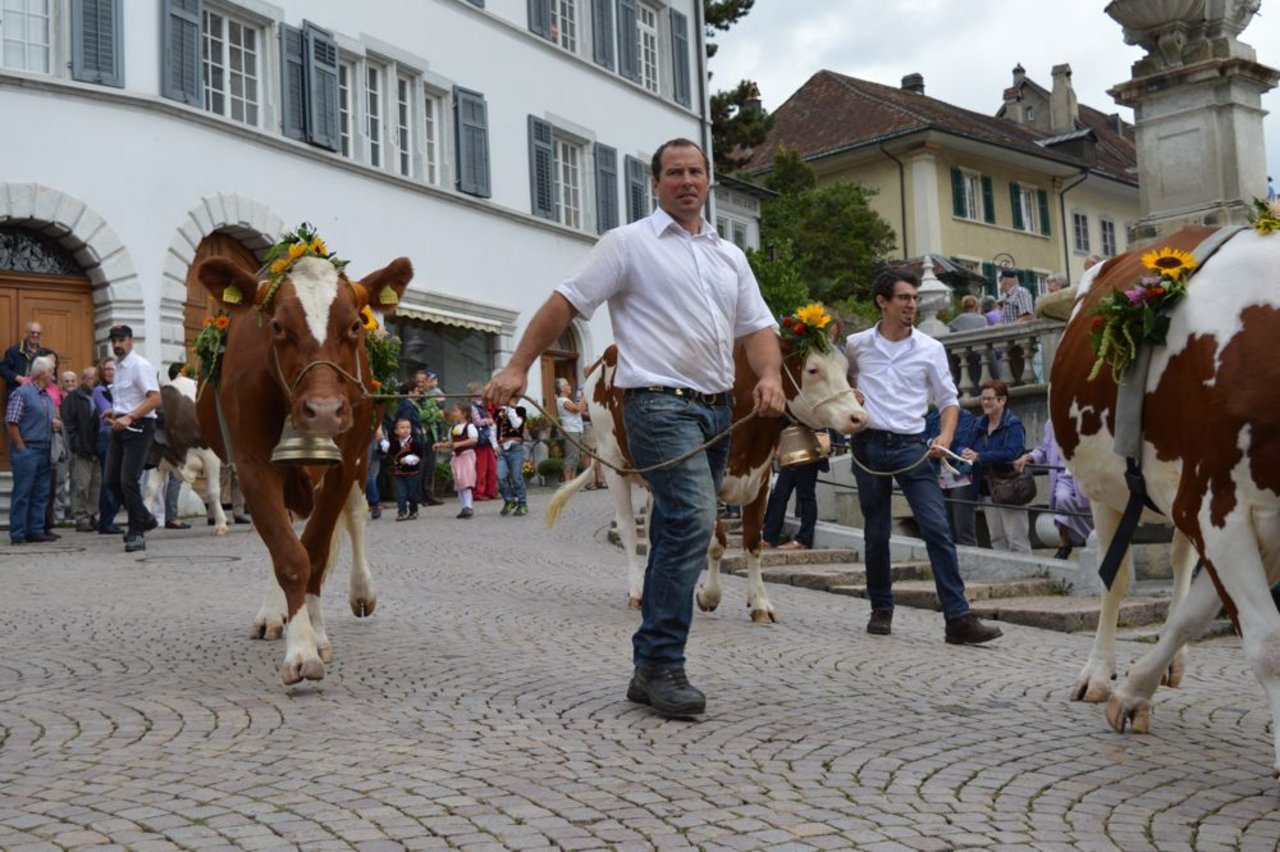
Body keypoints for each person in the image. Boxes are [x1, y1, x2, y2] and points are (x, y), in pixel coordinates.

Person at [485, 137, 786, 719]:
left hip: (718, 408)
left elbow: (758, 327)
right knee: (695, 518)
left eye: (696, 171)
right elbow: (564, 303)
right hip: (656, 405)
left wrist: (770, 374)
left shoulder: (730, 256)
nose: (687, 181)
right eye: (674, 172)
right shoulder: (627, 244)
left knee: (680, 530)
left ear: (708, 181)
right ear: (655, 183)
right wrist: (519, 364)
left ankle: (650, 664)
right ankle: (663, 665)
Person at [845, 269, 1002, 645]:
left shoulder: (930, 349)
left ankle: (958, 618)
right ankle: (881, 608)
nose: (911, 305)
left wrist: (944, 437)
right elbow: (845, 383)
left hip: (913, 448)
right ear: (882, 302)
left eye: (914, 298)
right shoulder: (857, 345)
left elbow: (949, 401)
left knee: (937, 528)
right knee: (877, 531)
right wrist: (853, 396)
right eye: (903, 298)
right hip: (867, 445)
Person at [103, 324, 161, 553]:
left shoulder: (140, 365)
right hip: (120, 426)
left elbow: (155, 399)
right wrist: (115, 412)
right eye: (114, 341)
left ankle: (137, 532)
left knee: (128, 479)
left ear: (131, 341)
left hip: (139, 426)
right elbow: (127, 398)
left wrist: (129, 416)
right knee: (111, 481)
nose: (117, 344)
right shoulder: (118, 367)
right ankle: (145, 518)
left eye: (121, 340)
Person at [958, 379, 1030, 554]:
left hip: (1010, 486)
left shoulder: (1013, 424)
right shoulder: (979, 424)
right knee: (996, 538)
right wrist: (964, 452)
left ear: (1002, 400)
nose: (985, 403)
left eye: (989, 399)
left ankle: (1027, 574)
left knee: (1016, 538)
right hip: (987, 488)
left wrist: (980, 456)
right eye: (983, 399)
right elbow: (965, 443)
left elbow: (1012, 453)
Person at [1014, 419, 1094, 559]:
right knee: (1061, 500)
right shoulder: (1051, 423)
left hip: (1085, 475)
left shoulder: (1086, 417)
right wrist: (1028, 457)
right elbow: (1044, 449)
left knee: (1090, 507)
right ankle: (1064, 544)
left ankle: (1093, 538)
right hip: (1062, 476)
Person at [6, 354, 59, 543]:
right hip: (28, 450)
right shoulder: (22, 393)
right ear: (42, 374)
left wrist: (53, 424)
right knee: (23, 493)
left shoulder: (47, 396)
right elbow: (12, 423)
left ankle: (35, 530)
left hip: (45, 449)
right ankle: (18, 533)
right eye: (51, 371)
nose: (54, 375)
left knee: (40, 493)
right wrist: (21, 447)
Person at [762, 428, 829, 550]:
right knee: (779, 496)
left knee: (805, 496)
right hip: (790, 452)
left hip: (808, 453)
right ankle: (769, 537)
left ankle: (803, 539)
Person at [925, 405, 978, 547]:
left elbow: (961, 442)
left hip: (960, 477)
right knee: (944, 529)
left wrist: (938, 445)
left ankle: (969, 565)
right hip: (938, 476)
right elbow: (923, 438)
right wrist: (932, 443)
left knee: (964, 529)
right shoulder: (932, 417)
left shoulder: (965, 416)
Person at [63, 365, 101, 532]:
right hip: (82, 449)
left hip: (98, 448)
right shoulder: (74, 397)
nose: (94, 381)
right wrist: (76, 443)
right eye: (92, 378)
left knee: (96, 485)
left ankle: (92, 515)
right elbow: (68, 422)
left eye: (96, 378)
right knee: (82, 485)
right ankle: (81, 517)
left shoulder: (99, 395)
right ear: (84, 379)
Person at [92, 357, 121, 534]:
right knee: (108, 481)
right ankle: (106, 521)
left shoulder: (117, 390)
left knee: (116, 480)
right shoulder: (99, 390)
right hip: (106, 437)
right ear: (102, 371)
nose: (111, 372)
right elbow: (107, 413)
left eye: (114, 369)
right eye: (108, 369)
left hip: (118, 435)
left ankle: (109, 519)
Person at [436, 401, 478, 519]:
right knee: (459, 482)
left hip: (467, 455)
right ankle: (464, 506)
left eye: (456, 411)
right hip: (457, 457)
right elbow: (451, 443)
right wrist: (441, 445)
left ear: (464, 413)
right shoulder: (453, 428)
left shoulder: (470, 426)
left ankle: (468, 506)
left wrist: (459, 444)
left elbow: (474, 440)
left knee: (466, 481)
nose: (453, 413)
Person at [413, 368, 446, 507]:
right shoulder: (413, 396)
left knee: (430, 466)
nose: (420, 384)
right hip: (420, 436)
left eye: (423, 381)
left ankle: (428, 494)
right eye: (418, 381)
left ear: (428, 382)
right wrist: (431, 413)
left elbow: (439, 414)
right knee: (421, 466)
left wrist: (432, 413)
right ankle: (419, 496)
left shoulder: (430, 396)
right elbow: (419, 416)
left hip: (431, 434)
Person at [495, 397, 528, 516]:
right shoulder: (498, 411)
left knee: (516, 477)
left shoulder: (520, 410)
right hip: (502, 449)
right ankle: (509, 500)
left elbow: (516, 424)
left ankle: (522, 503)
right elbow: (494, 429)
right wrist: (495, 446)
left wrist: (511, 408)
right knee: (500, 476)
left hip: (515, 448)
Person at [467, 382, 499, 501]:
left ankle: (491, 491)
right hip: (480, 441)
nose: (480, 397)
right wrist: (488, 421)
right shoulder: (473, 407)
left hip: (487, 440)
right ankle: (479, 493)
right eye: (477, 395)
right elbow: (477, 421)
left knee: (492, 467)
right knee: (481, 469)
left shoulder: (483, 407)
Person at [389, 416, 425, 521]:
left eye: (408, 427)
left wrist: (409, 459)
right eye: (402, 427)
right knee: (400, 494)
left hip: (412, 472)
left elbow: (419, 455)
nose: (406, 430)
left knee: (412, 494)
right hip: (399, 473)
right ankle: (402, 512)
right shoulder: (395, 443)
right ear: (396, 431)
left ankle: (414, 511)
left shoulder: (415, 442)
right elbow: (391, 453)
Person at [554, 377, 587, 483]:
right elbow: (577, 410)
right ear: (562, 389)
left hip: (576, 429)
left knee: (576, 456)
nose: (570, 387)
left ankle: (573, 480)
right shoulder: (562, 400)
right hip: (570, 430)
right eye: (567, 385)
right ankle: (567, 481)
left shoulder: (567, 400)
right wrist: (583, 397)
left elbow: (579, 410)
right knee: (571, 455)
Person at [0, 321, 48, 391]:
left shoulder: (43, 353)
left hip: (37, 393)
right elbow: (2, 368)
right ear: (26, 333)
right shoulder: (14, 350)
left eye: (38, 333)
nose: (35, 335)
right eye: (33, 332)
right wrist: (18, 378)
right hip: (17, 391)